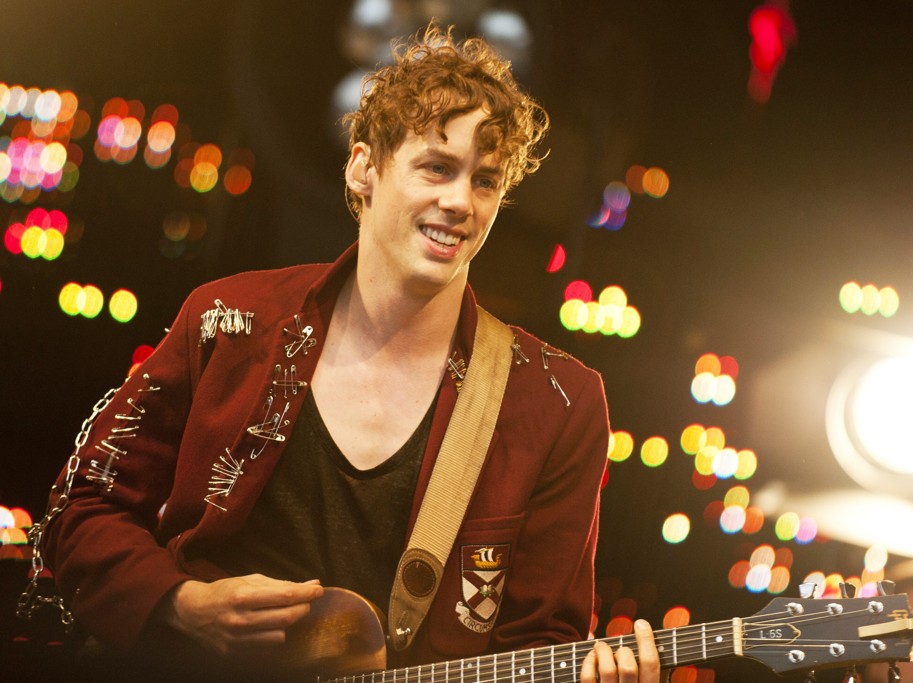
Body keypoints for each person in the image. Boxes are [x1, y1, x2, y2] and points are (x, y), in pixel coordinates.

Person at [31, 22, 660, 683]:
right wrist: (180, 604)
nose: (459, 202)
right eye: (437, 167)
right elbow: (82, 505)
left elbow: (543, 640)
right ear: (364, 167)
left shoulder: (557, 400)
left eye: (485, 182)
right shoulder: (229, 320)